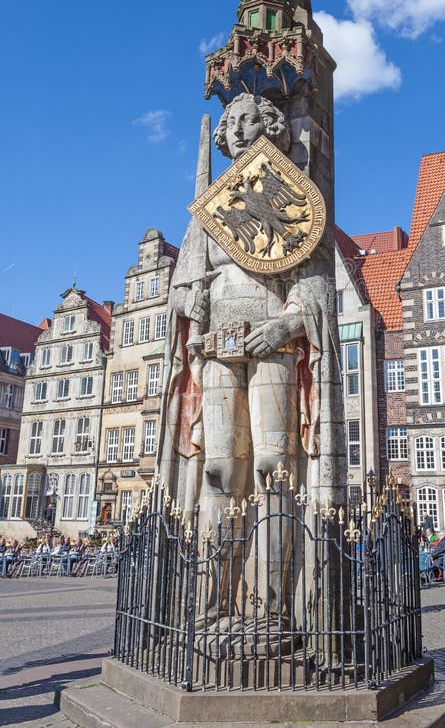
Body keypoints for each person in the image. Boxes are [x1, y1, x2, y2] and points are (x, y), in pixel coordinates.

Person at [158, 93, 343, 623]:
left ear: (271, 126)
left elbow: (316, 283)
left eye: (249, 120)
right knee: (220, 471)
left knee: (273, 469)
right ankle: (212, 600)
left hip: (274, 345)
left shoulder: (289, 191)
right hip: (217, 348)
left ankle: (272, 608)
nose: (239, 129)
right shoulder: (211, 209)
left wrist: (287, 323)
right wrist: (186, 302)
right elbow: (182, 286)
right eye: (231, 122)